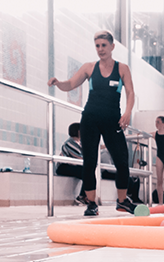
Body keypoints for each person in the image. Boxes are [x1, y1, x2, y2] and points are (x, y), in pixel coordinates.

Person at [48, 30, 137, 216]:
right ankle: (91, 204)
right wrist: (58, 83)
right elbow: (71, 84)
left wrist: (128, 112)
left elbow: (130, 92)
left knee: (121, 161)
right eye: (97, 46)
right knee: (89, 162)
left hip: (113, 120)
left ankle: (122, 201)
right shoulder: (89, 67)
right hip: (90, 120)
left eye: (104, 45)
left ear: (112, 47)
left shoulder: (122, 68)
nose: (100, 49)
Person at [56, 122, 89, 205]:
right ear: (78, 131)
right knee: (87, 172)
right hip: (63, 167)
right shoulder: (70, 143)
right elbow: (79, 157)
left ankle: (83, 196)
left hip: (73, 166)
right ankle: (82, 196)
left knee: (88, 172)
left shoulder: (80, 143)